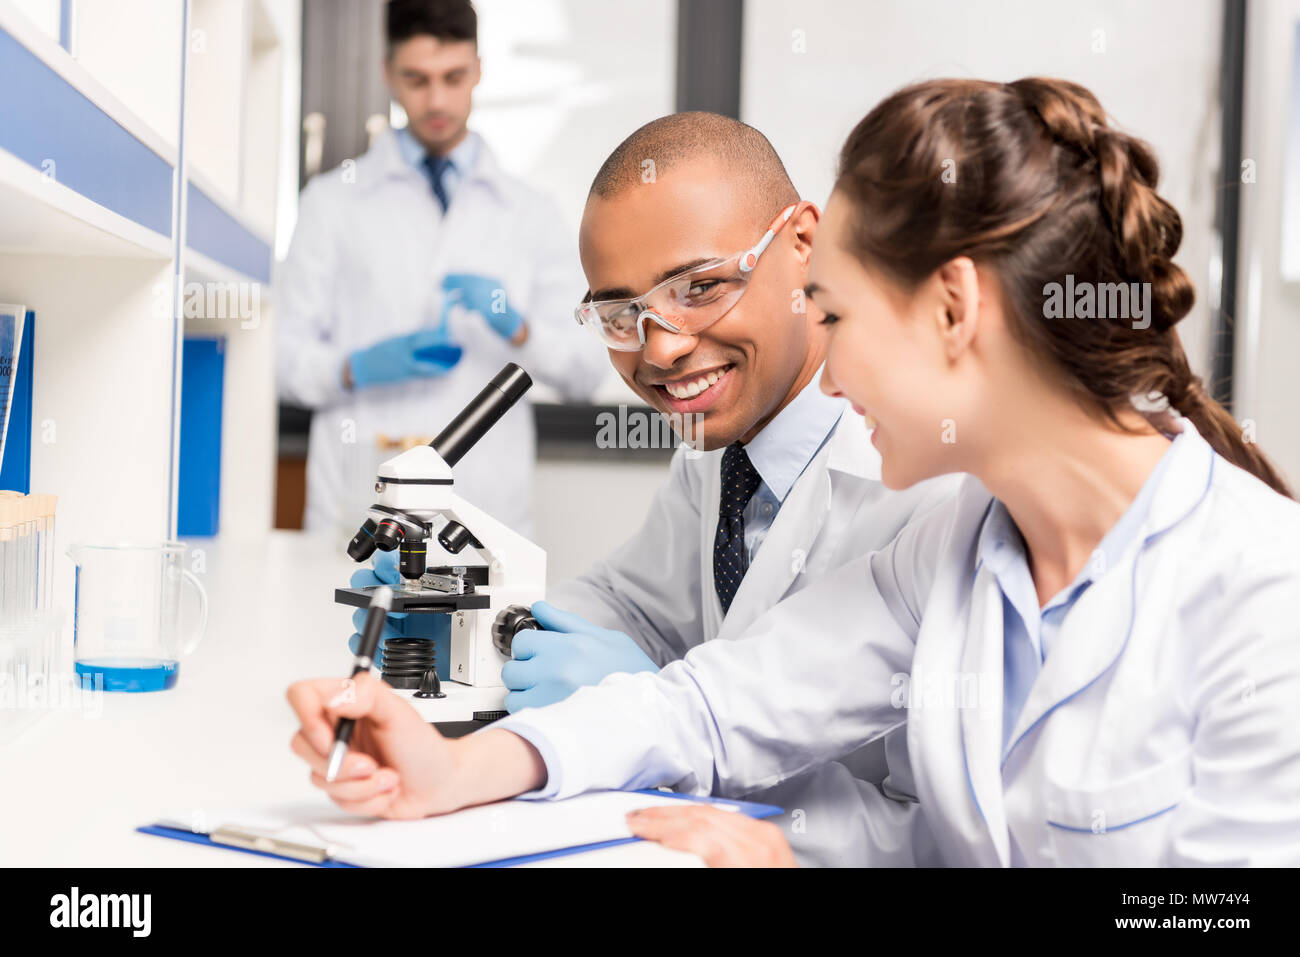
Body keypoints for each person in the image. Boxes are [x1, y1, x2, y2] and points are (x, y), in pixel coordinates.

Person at [289, 77, 1300, 867]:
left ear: (951, 309)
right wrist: (451, 768)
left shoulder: (1263, 596)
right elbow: (715, 703)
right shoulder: (959, 552)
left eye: (839, 313)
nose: (830, 361)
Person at [346, 111, 958, 865]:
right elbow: (637, 605)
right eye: (620, 314)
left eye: (700, 286)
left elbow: (930, 830)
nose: (661, 347)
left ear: (804, 244)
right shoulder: (721, 446)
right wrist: (474, 606)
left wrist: (653, 708)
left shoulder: (931, 484)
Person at [275, 0, 603, 536]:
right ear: (388, 74)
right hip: (358, 502)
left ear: (478, 69)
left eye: (453, 77)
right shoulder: (332, 203)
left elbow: (585, 374)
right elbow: (283, 365)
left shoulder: (530, 213)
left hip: (484, 511)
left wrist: (515, 326)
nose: (436, 100)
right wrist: (355, 366)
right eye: (416, 79)